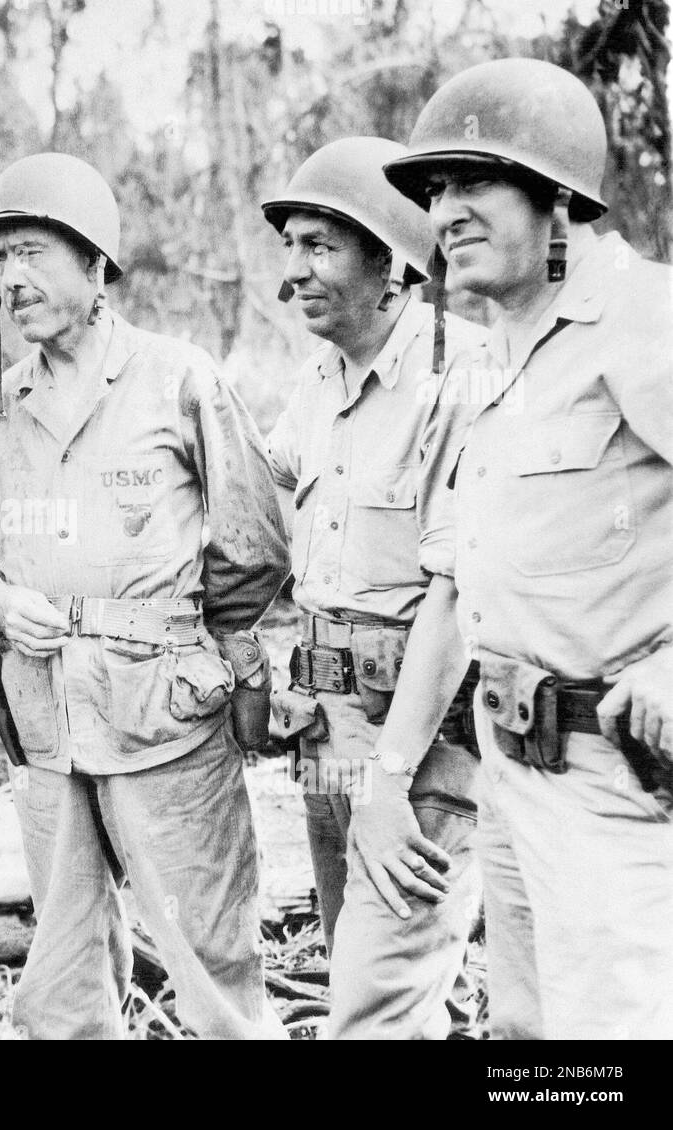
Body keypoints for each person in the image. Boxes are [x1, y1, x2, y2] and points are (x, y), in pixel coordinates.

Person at [0, 152, 291, 1039]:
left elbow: (254, 544)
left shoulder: (177, 378)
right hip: (45, 726)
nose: (10, 280)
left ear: (96, 267)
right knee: (59, 987)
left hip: (162, 717)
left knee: (212, 966)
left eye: (32, 253)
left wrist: (182, 637)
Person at [384, 57, 673, 1039]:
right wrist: (387, 773)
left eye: (473, 182)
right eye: (434, 192)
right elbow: (455, 584)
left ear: (557, 197)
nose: (445, 212)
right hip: (509, 768)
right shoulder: (495, 352)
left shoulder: (642, 319)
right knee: (526, 1039)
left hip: (615, 780)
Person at [261, 137, 487, 1039]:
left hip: (422, 744)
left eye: (321, 245)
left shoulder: (462, 380)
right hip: (328, 732)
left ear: (393, 262)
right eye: (293, 245)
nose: (297, 270)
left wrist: (389, 783)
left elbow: (460, 599)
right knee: (367, 964)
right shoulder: (315, 385)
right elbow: (263, 534)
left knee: (375, 1009)